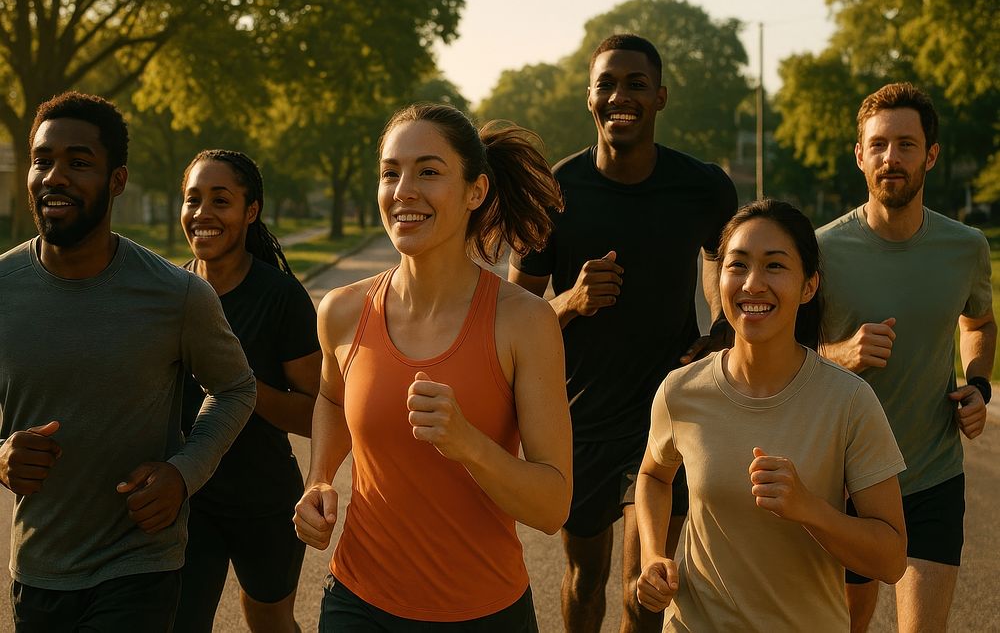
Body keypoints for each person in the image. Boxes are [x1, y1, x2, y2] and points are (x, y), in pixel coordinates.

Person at [293, 103, 572, 631]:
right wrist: (319, 479)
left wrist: (466, 443)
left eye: (428, 171)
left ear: (476, 191)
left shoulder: (525, 322)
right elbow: (331, 398)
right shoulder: (343, 311)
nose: (403, 190)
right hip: (357, 601)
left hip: (485, 612)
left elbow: (552, 506)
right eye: (390, 172)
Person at [0, 92, 256, 632]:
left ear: (117, 180)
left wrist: (182, 474)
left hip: (137, 565)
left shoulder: (176, 294)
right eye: (43, 160)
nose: (55, 177)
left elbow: (235, 388)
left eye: (79, 163)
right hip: (39, 568)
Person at [508, 33, 737, 633]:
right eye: (607, 84)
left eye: (636, 84)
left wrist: (720, 325)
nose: (620, 96)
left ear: (659, 97)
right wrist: (572, 301)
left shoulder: (702, 186)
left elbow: (724, 259)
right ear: (590, 99)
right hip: (580, 412)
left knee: (647, 584)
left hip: (666, 408)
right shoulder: (555, 192)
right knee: (586, 581)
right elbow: (512, 310)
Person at [635, 198, 907, 631]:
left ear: (808, 286)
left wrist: (809, 509)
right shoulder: (681, 390)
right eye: (737, 265)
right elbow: (652, 476)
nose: (752, 284)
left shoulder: (849, 401)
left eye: (775, 266)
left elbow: (891, 560)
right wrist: (652, 554)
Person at [817, 82, 996, 632]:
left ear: (931, 155)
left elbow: (979, 322)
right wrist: (839, 354)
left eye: (906, 144)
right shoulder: (821, 250)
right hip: (844, 476)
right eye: (878, 145)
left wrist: (979, 384)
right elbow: (782, 355)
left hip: (933, 474)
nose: (890, 157)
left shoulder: (965, 247)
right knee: (849, 623)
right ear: (859, 155)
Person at [172, 149, 321, 633]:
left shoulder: (280, 297)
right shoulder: (169, 292)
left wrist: (241, 386)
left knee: (269, 620)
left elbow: (315, 413)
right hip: (189, 495)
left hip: (265, 498)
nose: (203, 214)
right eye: (193, 200)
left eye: (221, 200)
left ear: (250, 210)